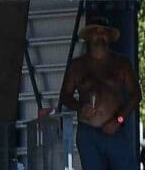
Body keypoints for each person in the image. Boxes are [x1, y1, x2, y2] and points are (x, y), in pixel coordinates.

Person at [58, 20, 139, 170]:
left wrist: (118, 120)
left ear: (110, 37)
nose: (100, 36)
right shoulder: (77, 65)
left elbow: (136, 95)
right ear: (89, 36)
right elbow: (64, 95)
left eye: (104, 33)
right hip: (88, 133)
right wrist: (80, 107)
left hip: (115, 129)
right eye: (96, 32)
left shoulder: (122, 63)